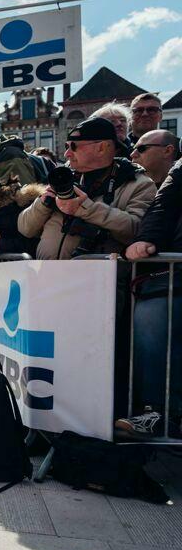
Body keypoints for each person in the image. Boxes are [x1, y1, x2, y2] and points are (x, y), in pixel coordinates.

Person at [18, 117, 156, 260]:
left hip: (102, 273)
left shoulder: (138, 183)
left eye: (74, 147)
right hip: (46, 271)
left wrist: (85, 209)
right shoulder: (64, 176)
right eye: (66, 146)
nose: (67, 154)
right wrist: (43, 203)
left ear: (101, 148)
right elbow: (25, 228)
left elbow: (137, 230)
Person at [119, 158, 182, 438]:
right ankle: (156, 412)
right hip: (174, 271)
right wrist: (145, 239)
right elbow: (162, 205)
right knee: (150, 317)